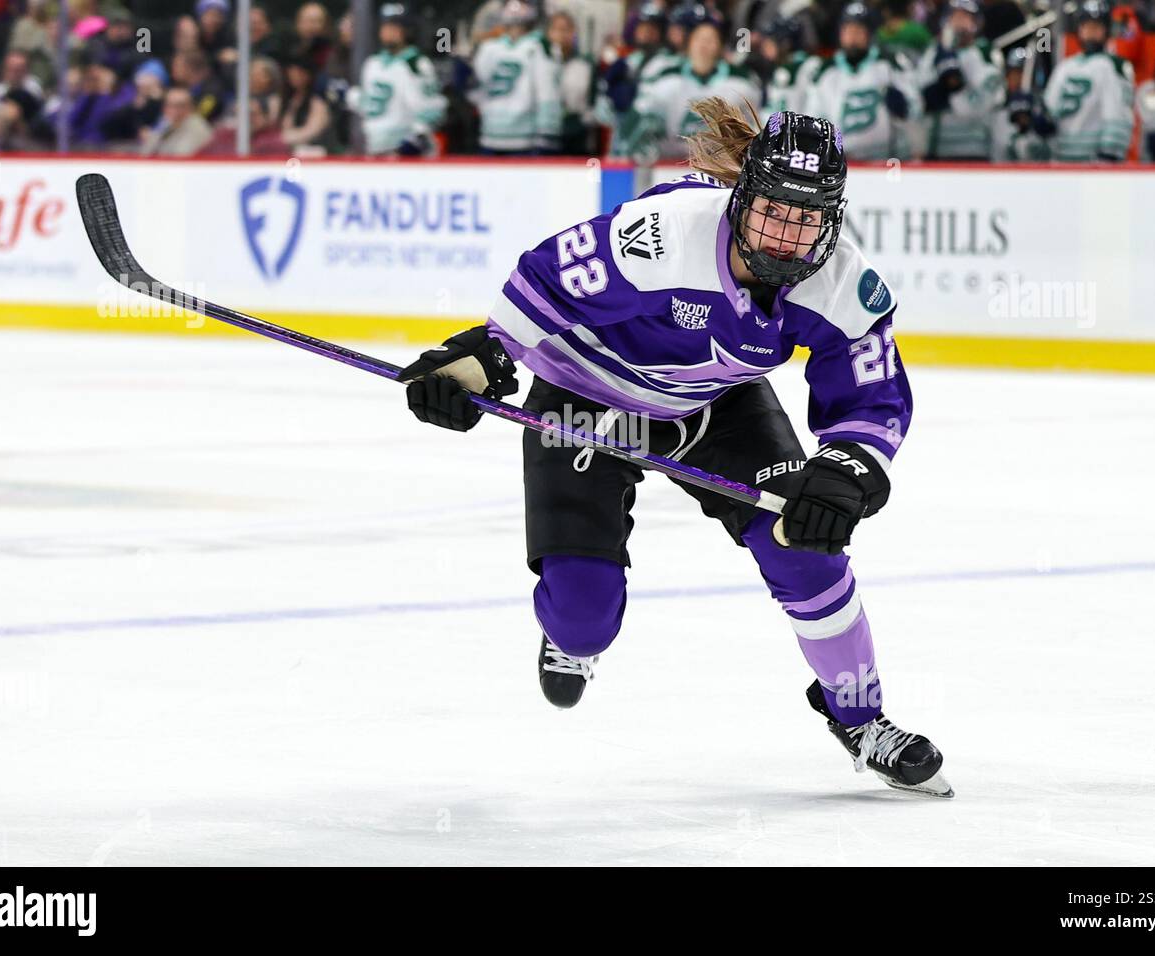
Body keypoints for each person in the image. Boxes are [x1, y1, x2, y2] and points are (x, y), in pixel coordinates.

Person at [393, 99, 952, 799]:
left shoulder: (844, 282)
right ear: (740, 198)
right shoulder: (660, 236)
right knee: (584, 614)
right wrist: (479, 359)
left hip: (718, 405)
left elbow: (870, 395)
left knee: (807, 551)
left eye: (807, 218)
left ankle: (862, 721)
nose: (786, 237)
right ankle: (571, 634)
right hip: (586, 396)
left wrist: (847, 470)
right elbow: (545, 280)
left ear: (832, 217)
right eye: (774, 211)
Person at [630, 16, 761, 160]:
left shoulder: (741, 81)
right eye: (699, 39)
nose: (703, 45)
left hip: (723, 169)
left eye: (710, 40)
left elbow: (755, 129)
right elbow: (641, 119)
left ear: (720, 46)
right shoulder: (666, 79)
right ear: (689, 44)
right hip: (671, 164)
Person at [805, 3, 920, 161]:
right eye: (848, 30)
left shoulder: (890, 64)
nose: (853, 37)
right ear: (840, 34)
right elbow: (813, 120)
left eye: (859, 31)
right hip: (842, 163)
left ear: (869, 34)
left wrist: (904, 106)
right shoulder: (825, 72)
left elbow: (916, 107)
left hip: (889, 160)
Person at [1042, 0, 1135, 161]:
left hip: (1094, 161)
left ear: (1106, 30)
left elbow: (1118, 113)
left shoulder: (1114, 66)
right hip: (1061, 160)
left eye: (1096, 27)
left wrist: (1110, 154)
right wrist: (1041, 122)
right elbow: (1050, 111)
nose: (1091, 32)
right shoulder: (1065, 67)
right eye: (1087, 27)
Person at [352, 2, 446, 155]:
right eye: (386, 26)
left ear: (407, 31)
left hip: (406, 149)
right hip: (374, 147)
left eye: (396, 27)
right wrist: (350, 97)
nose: (389, 32)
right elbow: (369, 104)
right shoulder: (373, 64)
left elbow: (433, 107)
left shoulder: (416, 63)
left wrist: (418, 134)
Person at [916, 0, 1003, 160]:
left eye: (965, 17)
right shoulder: (934, 53)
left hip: (976, 150)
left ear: (976, 23)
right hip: (936, 149)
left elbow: (980, 108)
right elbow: (919, 99)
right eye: (955, 16)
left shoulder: (986, 55)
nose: (959, 23)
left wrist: (955, 86)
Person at [472, 0, 561, 154]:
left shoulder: (538, 46)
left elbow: (547, 91)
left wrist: (547, 129)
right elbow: (478, 85)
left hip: (523, 137)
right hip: (492, 133)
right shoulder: (490, 48)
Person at [599, 3, 680, 157]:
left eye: (652, 28)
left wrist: (631, 102)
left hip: (655, 152)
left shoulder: (672, 64)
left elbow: (655, 108)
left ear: (662, 32)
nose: (645, 33)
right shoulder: (626, 62)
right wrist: (611, 99)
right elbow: (602, 112)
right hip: (620, 148)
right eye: (642, 27)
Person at [548, 9, 598, 156]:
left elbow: (592, 99)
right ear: (549, 32)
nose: (561, 34)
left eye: (566, 29)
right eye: (557, 29)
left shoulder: (585, 64)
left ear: (573, 32)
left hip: (577, 133)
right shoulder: (541, 60)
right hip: (545, 132)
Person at [990, 46, 1052, 161]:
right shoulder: (997, 105)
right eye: (1013, 74)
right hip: (1000, 172)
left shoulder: (1041, 106)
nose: (1018, 79)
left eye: (1022, 74)